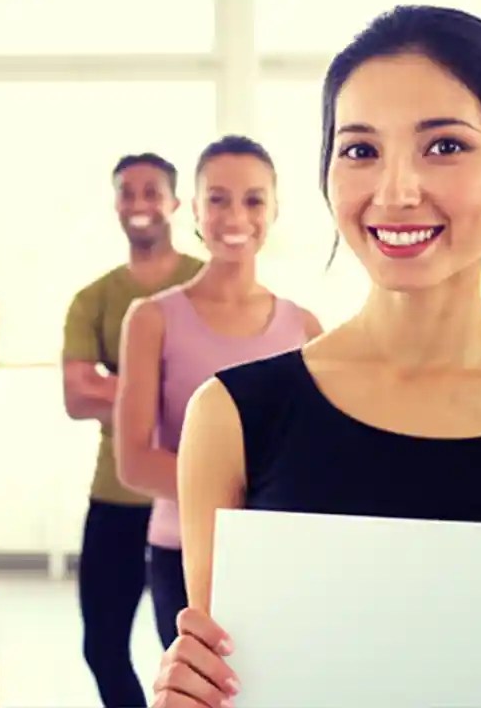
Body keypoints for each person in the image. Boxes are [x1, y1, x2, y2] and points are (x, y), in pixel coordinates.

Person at [150, 5, 481, 708]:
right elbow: (229, 681)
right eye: (361, 150)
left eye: (444, 147)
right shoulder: (234, 417)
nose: (396, 192)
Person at [115, 135, 324, 650]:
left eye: (254, 200)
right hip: (182, 556)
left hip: (278, 561)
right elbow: (135, 462)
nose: (236, 215)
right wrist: (249, 505)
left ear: (274, 211)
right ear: (194, 209)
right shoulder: (151, 319)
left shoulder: (306, 328)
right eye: (218, 198)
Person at [62, 152, 203, 706]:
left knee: (192, 652)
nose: (140, 204)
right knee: (102, 646)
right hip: (117, 494)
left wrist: (119, 387)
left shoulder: (203, 283)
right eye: (128, 193)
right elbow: (75, 396)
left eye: (152, 192)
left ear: (175, 203)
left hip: (194, 497)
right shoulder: (93, 299)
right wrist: (168, 389)